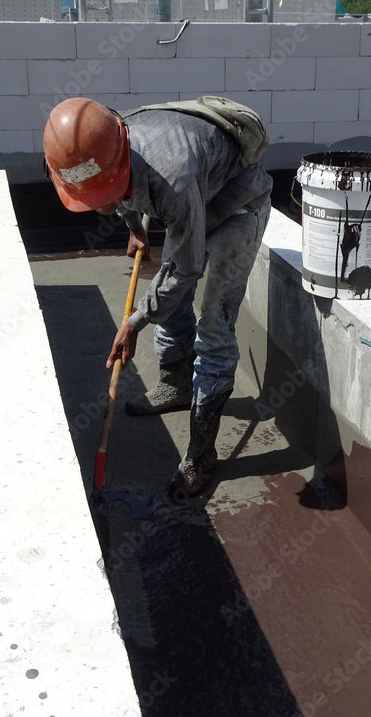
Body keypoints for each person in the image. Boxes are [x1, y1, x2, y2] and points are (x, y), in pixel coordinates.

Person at [43, 96, 272, 497]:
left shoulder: (172, 177)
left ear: (119, 164)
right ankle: (178, 384)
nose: (102, 208)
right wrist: (134, 225)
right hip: (190, 199)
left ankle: (201, 457)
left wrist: (134, 322)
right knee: (170, 300)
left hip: (237, 206)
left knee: (214, 326)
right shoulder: (106, 147)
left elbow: (186, 268)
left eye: (105, 199)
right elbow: (120, 195)